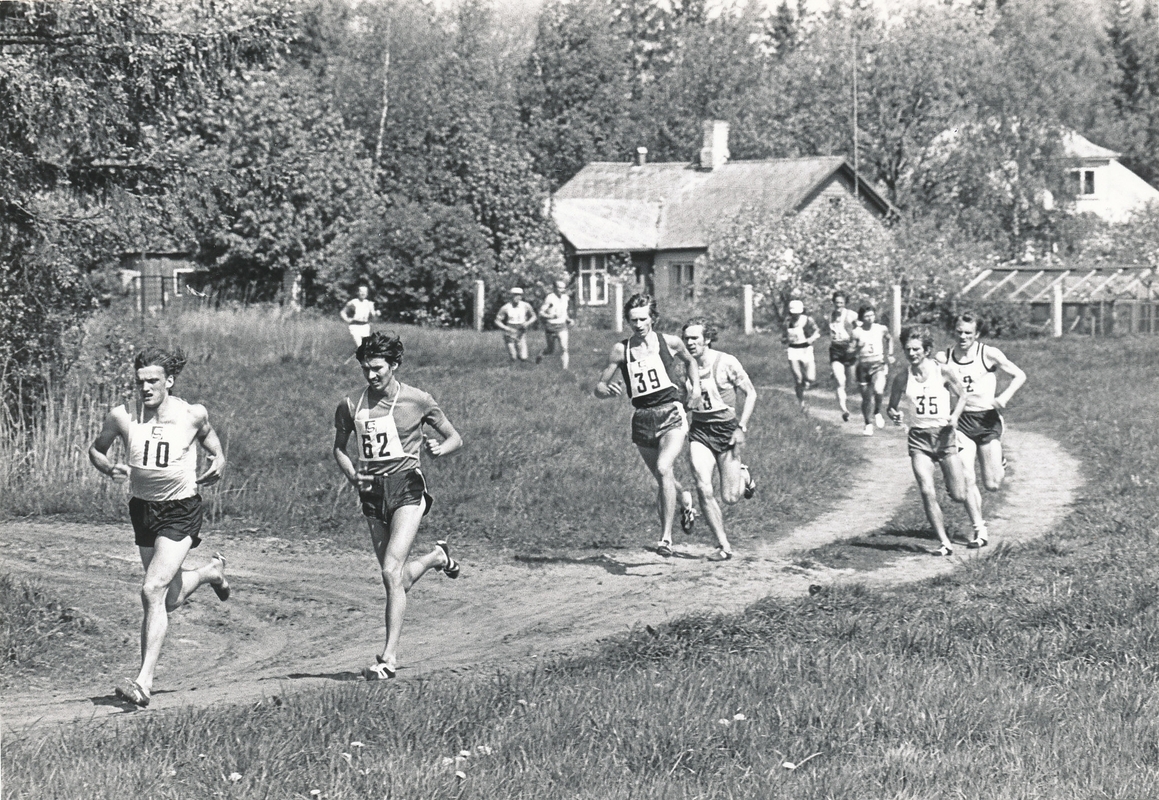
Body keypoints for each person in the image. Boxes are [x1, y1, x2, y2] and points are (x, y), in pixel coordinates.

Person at [88, 347, 229, 709]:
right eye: (140, 382)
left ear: (169, 381)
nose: (146, 388)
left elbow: (212, 444)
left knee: (152, 589)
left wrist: (219, 459)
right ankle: (211, 572)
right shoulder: (122, 416)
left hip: (181, 508)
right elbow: (97, 449)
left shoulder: (191, 414)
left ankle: (143, 682)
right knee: (168, 597)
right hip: (143, 509)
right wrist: (108, 468)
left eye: (153, 381)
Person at [334, 331, 463, 680]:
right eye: (365, 369)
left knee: (390, 572)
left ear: (394, 365)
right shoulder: (351, 404)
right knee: (398, 579)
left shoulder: (418, 400)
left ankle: (388, 659)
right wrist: (352, 476)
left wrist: (441, 449)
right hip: (372, 492)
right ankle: (437, 557)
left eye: (377, 368)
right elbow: (339, 449)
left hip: (407, 486)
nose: (371, 375)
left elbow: (455, 437)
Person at [594, 294, 701, 557]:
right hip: (642, 418)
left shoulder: (670, 342)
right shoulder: (622, 350)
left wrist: (695, 387)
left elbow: (691, 361)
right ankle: (685, 500)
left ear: (653, 318)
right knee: (662, 477)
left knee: (665, 467)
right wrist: (604, 390)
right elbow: (598, 386)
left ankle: (665, 539)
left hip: (671, 412)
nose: (639, 324)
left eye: (643, 319)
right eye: (633, 320)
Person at [886, 326, 988, 556]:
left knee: (959, 493)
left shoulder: (942, 371)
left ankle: (978, 527)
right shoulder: (902, 378)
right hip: (919, 438)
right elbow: (891, 406)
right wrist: (894, 414)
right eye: (908, 349)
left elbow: (962, 394)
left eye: (916, 349)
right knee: (926, 489)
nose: (911, 354)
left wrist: (954, 416)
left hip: (944, 436)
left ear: (927, 350)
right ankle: (944, 543)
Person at [936, 311, 1026, 547]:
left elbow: (1019, 375)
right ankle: (979, 530)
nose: (963, 336)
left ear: (976, 334)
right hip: (962, 422)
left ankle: (1000, 461)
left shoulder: (988, 354)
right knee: (967, 477)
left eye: (968, 333)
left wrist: (1004, 396)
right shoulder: (944, 357)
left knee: (993, 485)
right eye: (959, 332)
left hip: (987, 420)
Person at [682, 318, 757, 562]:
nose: (690, 343)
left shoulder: (726, 362)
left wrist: (741, 427)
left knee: (731, 498)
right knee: (703, 486)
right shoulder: (685, 365)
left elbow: (751, 393)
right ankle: (723, 545)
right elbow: (685, 399)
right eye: (687, 338)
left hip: (726, 431)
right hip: (701, 431)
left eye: (695, 338)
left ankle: (744, 475)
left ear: (707, 339)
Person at [850, 305, 893, 436]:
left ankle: (877, 411)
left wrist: (890, 354)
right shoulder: (856, 332)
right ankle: (868, 423)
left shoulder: (881, 329)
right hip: (863, 367)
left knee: (878, 390)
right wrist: (857, 348)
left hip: (878, 364)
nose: (870, 318)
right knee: (866, 398)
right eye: (867, 316)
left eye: (872, 315)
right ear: (862, 318)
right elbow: (849, 351)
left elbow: (889, 339)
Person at [827, 291, 861, 421]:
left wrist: (855, 345)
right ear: (833, 303)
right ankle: (844, 409)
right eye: (836, 303)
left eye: (841, 303)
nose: (838, 305)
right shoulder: (830, 315)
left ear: (845, 303)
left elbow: (860, 330)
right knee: (841, 382)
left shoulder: (852, 315)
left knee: (850, 381)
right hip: (836, 349)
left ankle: (835, 374)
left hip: (849, 348)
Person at [783, 299, 820, 409]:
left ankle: (806, 383)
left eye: (797, 313)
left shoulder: (808, 320)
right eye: (793, 313)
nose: (795, 315)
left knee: (810, 378)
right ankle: (801, 402)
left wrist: (812, 338)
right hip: (793, 350)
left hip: (806, 349)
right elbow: (784, 336)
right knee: (798, 379)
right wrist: (785, 339)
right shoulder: (787, 322)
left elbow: (817, 332)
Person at [537, 278, 573, 369]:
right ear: (554, 288)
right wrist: (550, 316)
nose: (562, 290)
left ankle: (565, 370)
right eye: (560, 288)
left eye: (564, 288)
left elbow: (564, 312)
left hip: (562, 326)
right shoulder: (550, 298)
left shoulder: (565, 298)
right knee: (550, 350)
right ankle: (541, 354)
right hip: (551, 326)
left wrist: (568, 319)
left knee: (564, 348)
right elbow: (541, 313)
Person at [494, 287, 537, 363]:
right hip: (510, 330)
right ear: (511, 296)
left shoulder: (526, 305)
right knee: (513, 356)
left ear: (521, 296)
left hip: (521, 330)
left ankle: (522, 369)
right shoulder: (506, 307)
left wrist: (527, 323)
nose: (517, 297)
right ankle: (512, 368)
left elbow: (534, 316)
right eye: (515, 295)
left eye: (519, 295)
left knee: (523, 357)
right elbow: (497, 321)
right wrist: (506, 328)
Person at [340, 285, 379, 349]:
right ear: (357, 293)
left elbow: (373, 316)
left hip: (365, 327)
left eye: (365, 292)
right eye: (361, 291)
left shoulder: (369, 303)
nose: (363, 293)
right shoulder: (353, 302)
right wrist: (347, 319)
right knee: (360, 346)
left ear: (367, 293)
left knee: (366, 347)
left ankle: (360, 358)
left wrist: (376, 313)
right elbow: (342, 312)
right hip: (355, 326)